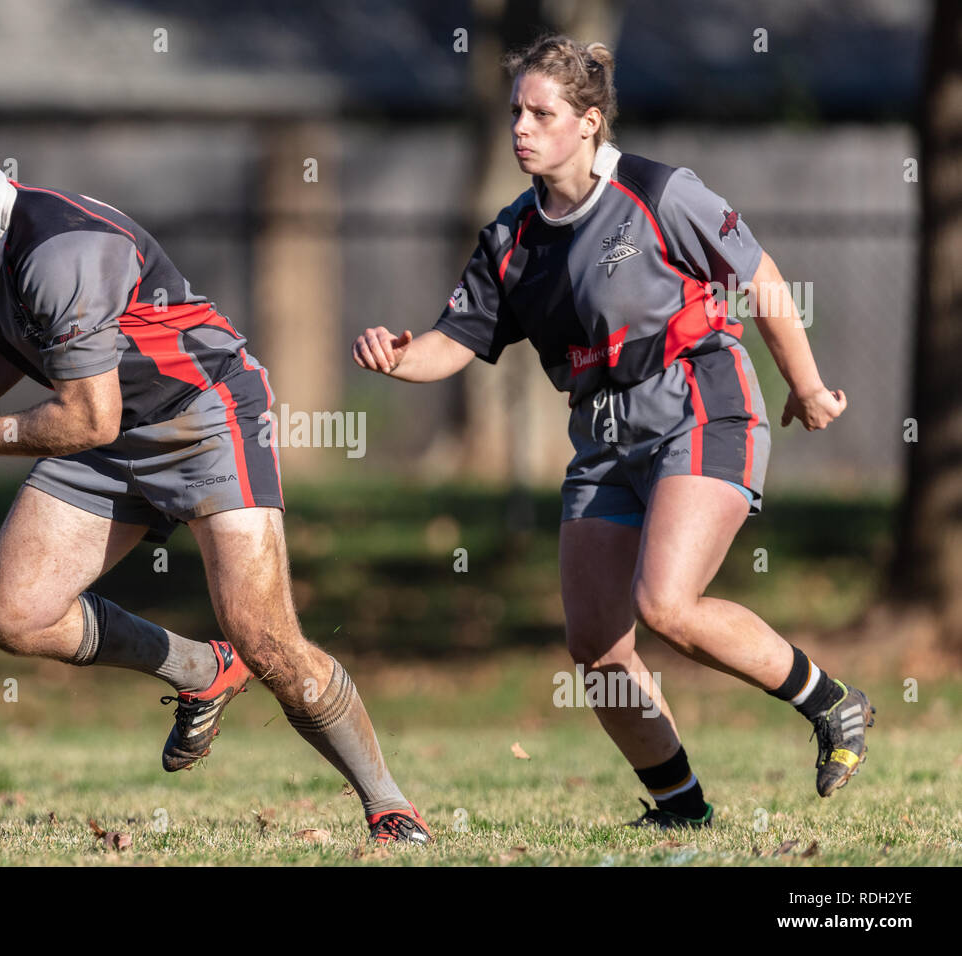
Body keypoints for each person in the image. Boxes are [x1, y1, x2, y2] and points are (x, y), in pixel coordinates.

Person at [0, 86, 429, 845]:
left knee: (265, 638)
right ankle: (200, 671)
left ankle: (390, 806)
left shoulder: (58, 251)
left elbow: (86, 416)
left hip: (204, 419)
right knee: (13, 615)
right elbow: (13, 348)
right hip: (104, 432)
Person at [352, 36, 873, 829]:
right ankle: (680, 808)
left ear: (589, 121)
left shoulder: (658, 193)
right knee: (596, 649)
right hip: (602, 438)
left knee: (666, 604)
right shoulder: (510, 239)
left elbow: (759, 278)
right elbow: (452, 342)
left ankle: (832, 702)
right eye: (516, 112)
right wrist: (397, 357)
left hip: (699, 405)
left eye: (541, 113)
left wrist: (805, 386)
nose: (521, 128)